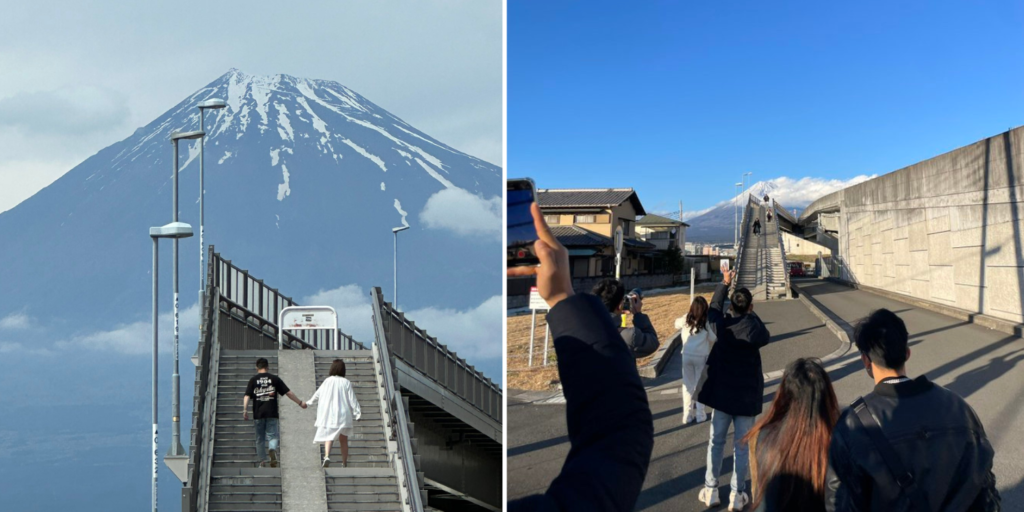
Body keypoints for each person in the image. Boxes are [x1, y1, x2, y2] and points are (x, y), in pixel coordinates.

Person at [508, 202, 653, 512]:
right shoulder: (621, 331)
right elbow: (623, 428)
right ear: (618, 305)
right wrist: (563, 297)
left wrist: (566, 303)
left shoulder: (586, 332)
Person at [826, 309, 1000, 511]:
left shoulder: (852, 424)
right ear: (907, 353)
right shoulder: (959, 407)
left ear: (866, 361)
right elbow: (986, 490)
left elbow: (839, 503)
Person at [696, 273, 771, 510]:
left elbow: (714, 308)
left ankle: (710, 490)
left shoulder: (722, 326)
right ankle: (737, 495)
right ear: (750, 307)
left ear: (732, 306)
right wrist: (750, 311)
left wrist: (724, 284)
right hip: (745, 399)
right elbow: (763, 332)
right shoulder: (755, 331)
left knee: (716, 441)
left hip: (723, 397)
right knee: (741, 446)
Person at [742, 358, 839, 512]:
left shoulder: (764, 435)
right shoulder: (837, 440)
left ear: (783, 393)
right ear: (827, 396)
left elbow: (760, 494)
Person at [243, 357, 306, 468]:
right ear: (267, 367)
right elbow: (289, 393)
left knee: (260, 438)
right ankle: (272, 451)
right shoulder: (274, 379)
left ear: (257, 367)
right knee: (272, 436)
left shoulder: (253, 380)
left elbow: (247, 395)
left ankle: (262, 461)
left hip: (258, 414)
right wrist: (300, 403)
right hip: (271, 412)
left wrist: (245, 409)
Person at [307, 358, 362, 468]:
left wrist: (309, 402)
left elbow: (317, 394)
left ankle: (327, 456)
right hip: (343, 414)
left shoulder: (327, 381)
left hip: (330, 414)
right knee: (343, 439)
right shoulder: (346, 382)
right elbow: (352, 399)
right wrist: (357, 412)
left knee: (329, 436)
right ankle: (344, 463)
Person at [675, 296, 716, 424]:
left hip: (686, 355)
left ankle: (687, 415)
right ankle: (700, 414)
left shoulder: (686, 318)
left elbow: (675, 324)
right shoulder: (705, 323)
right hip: (701, 357)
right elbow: (713, 338)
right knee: (700, 386)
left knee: (687, 385)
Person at [592, 279, 660, 358]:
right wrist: (638, 314)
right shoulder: (629, 336)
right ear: (620, 305)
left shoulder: (583, 328)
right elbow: (653, 342)